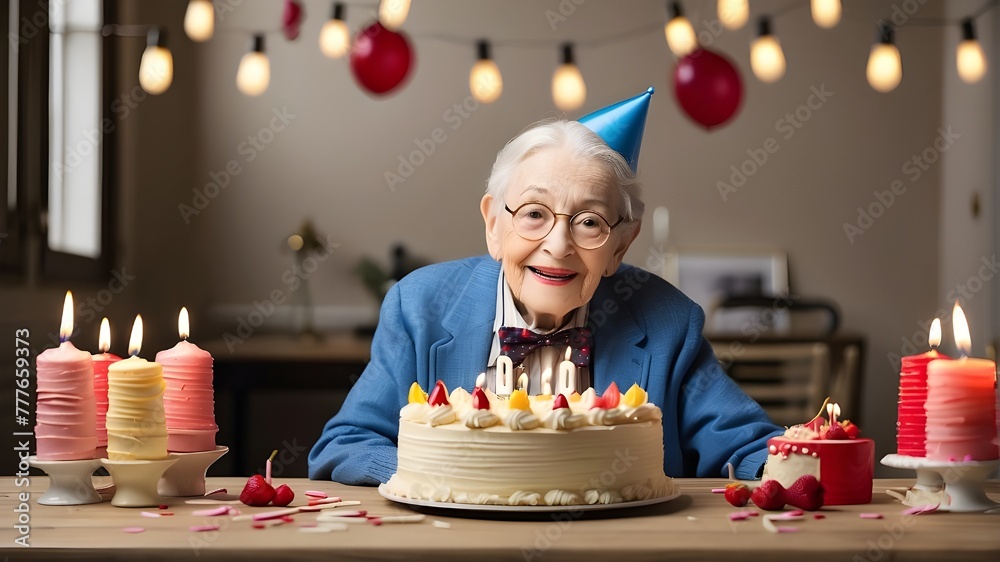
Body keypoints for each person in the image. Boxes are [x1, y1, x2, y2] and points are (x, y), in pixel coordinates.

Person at [309, 89, 783, 484]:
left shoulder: (666, 322)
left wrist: (792, 462)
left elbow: (749, 447)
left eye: (590, 222)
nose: (558, 246)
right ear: (494, 224)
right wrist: (443, 474)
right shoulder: (420, 307)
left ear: (620, 244)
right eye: (534, 214)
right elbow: (343, 445)